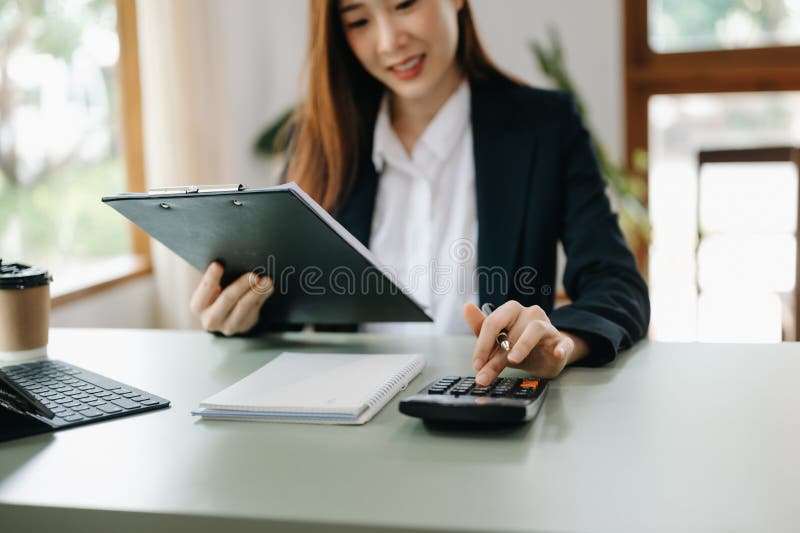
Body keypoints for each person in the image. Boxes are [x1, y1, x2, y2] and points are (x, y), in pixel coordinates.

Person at [189, 0, 650, 386]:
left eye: (405, 3)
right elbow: (282, 300)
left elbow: (617, 284)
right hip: (347, 414)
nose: (389, 41)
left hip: (489, 412)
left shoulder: (545, 127)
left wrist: (560, 342)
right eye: (358, 21)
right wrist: (239, 316)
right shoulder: (318, 141)